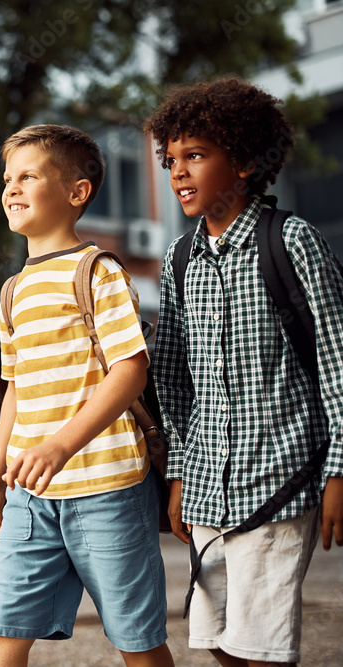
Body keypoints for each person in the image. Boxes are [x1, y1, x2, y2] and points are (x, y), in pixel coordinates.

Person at [145, 78, 343, 666]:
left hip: (281, 480)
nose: (178, 173)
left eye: (196, 156)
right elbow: (174, 381)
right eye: (171, 160)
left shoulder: (293, 242)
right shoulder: (178, 261)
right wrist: (179, 473)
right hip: (206, 485)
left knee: (262, 647)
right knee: (216, 641)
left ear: (247, 161)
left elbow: (337, 364)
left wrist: (339, 471)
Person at [0, 124, 174, 667]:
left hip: (107, 486)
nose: (11, 189)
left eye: (29, 176)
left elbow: (130, 371)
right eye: (7, 179)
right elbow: (14, 392)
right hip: (30, 496)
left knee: (137, 640)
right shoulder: (12, 291)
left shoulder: (98, 272)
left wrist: (61, 445)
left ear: (76, 192)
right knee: (2, 635)